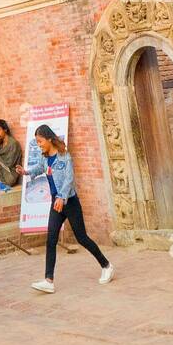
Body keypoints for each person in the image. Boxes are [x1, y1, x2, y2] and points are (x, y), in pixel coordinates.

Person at [23, 124, 114, 294]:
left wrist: (61, 197)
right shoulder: (44, 157)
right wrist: (26, 172)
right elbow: (39, 168)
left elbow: (69, 179)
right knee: (51, 239)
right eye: (37, 142)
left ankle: (106, 265)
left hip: (69, 202)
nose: (39, 144)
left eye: (40, 141)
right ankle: (48, 280)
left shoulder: (64, 157)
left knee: (82, 238)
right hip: (55, 204)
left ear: (49, 139)